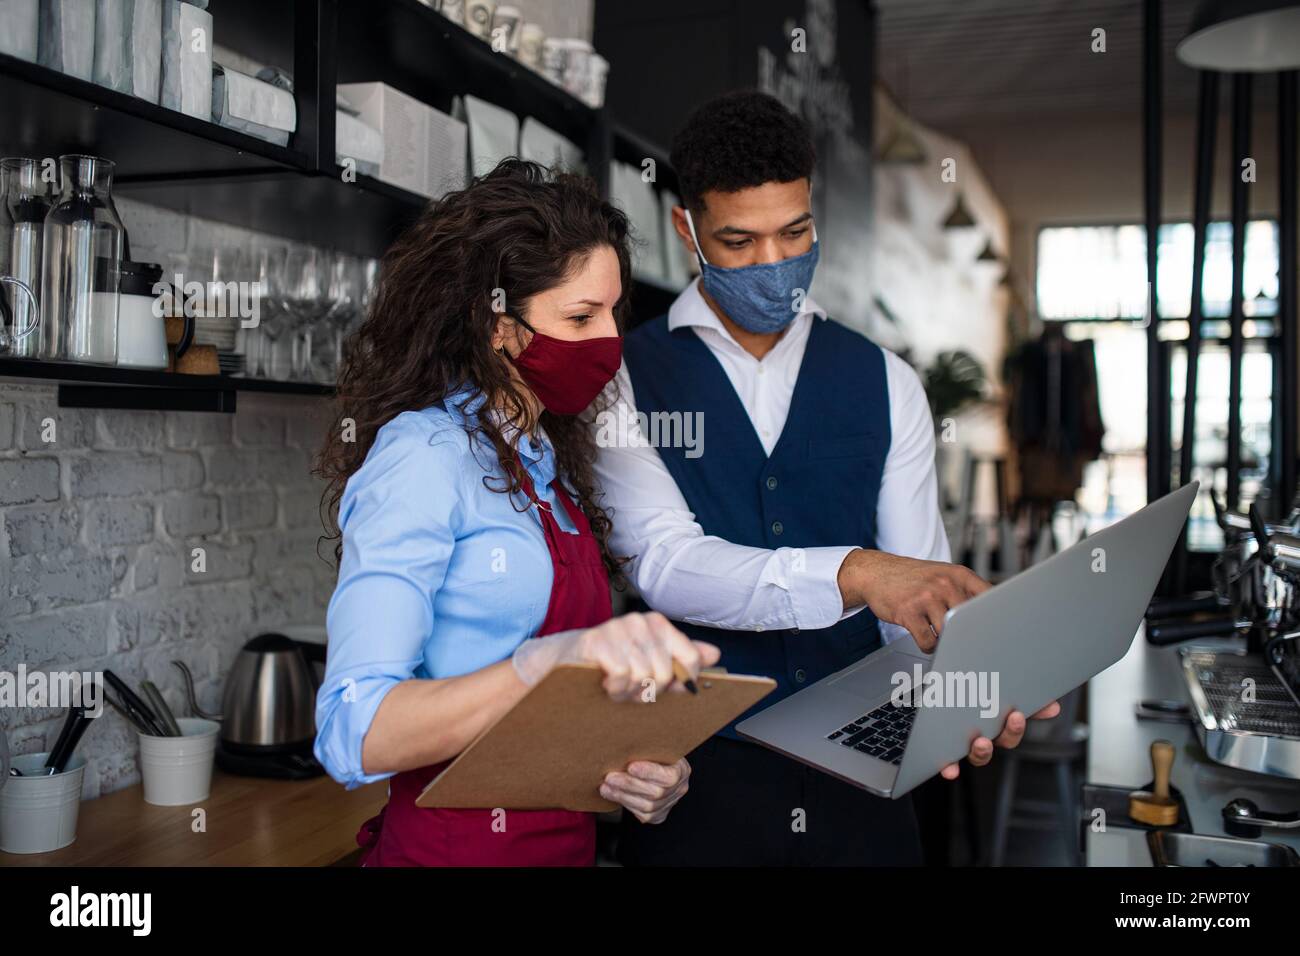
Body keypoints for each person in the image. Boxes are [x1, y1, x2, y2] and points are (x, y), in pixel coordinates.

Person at [594, 91, 1059, 866]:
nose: (774, 263)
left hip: (863, 792)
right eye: (738, 241)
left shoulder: (887, 381)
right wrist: (855, 571)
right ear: (688, 231)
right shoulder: (623, 381)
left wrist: (960, 694)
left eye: (795, 231)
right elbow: (666, 565)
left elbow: (910, 604)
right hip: (693, 784)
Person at [313, 159, 719, 867]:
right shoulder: (424, 456)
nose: (607, 344)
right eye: (580, 318)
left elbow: (555, 726)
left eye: (613, 315)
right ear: (497, 325)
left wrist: (639, 771)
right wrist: (543, 664)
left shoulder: (548, 463)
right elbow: (354, 732)